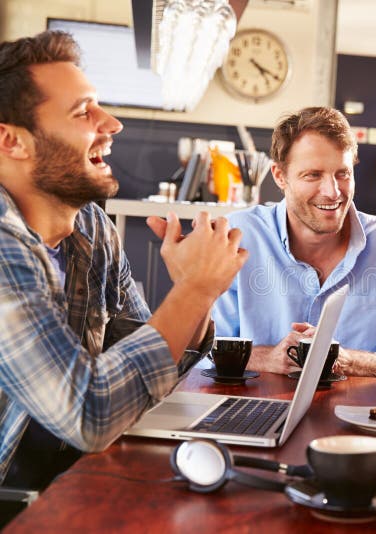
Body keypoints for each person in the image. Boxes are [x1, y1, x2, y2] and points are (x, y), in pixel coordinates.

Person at [0, 30, 247, 504]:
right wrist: (192, 290)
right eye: (83, 112)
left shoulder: (91, 226)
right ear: (12, 141)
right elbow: (90, 412)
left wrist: (201, 291)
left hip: (68, 478)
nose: (111, 123)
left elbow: (151, 365)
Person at [212, 107, 376, 378]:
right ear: (280, 176)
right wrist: (267, 358)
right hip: (257, 408)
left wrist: (344, 359)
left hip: (359, 414)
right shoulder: (237, 235)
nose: (332, 192)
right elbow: (206, 346)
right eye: (313, 175)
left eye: (342, 174)